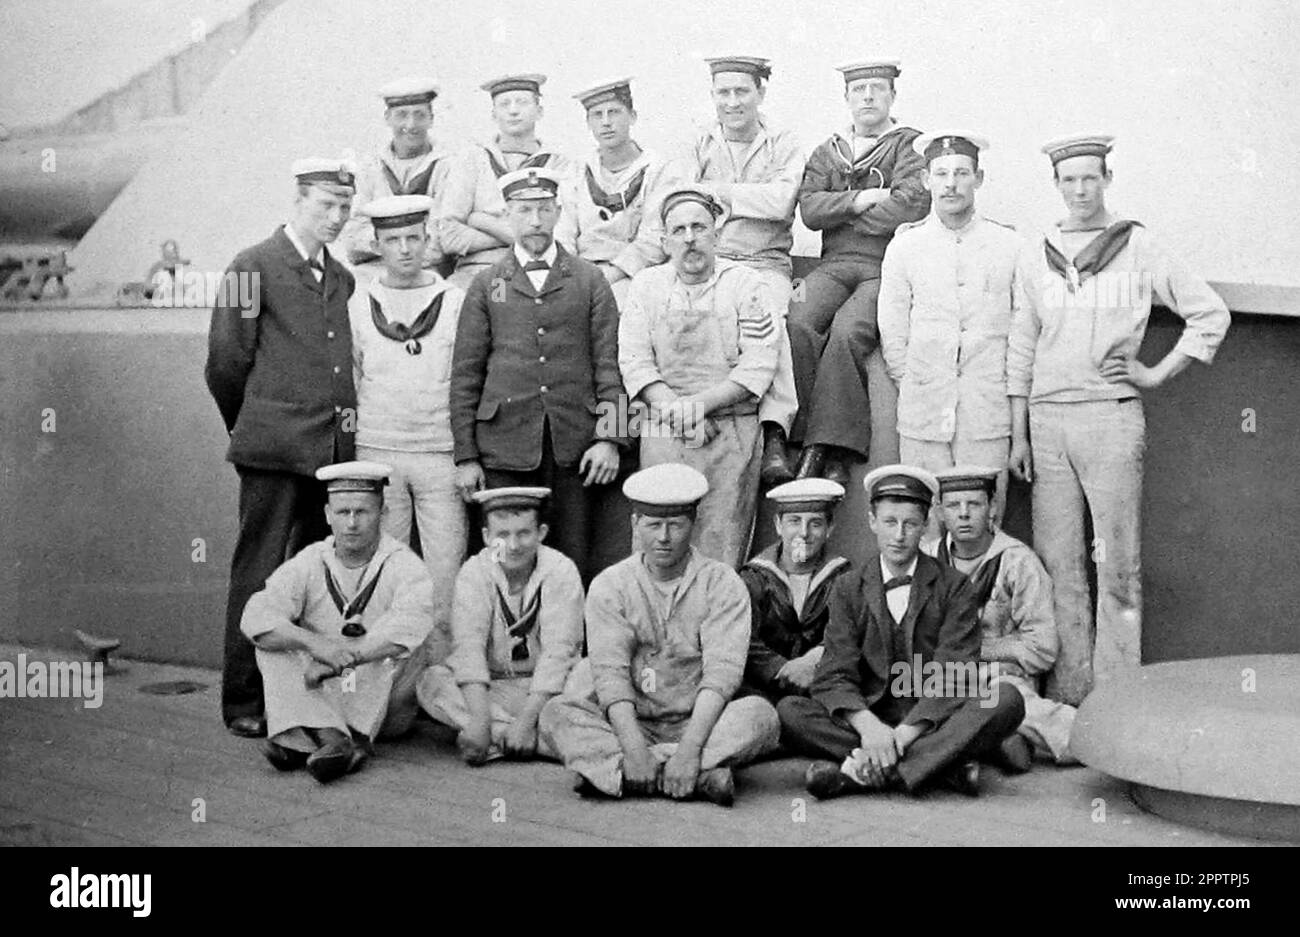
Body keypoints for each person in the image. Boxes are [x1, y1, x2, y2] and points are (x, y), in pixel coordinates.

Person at [1007, 134, 1230, 705]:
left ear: (1107, 178)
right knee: (1059, 565)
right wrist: (1018, 432)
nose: (1080, 190)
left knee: (1118, 564)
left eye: (1090, 178)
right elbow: (1023, 340)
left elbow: (1209, 314)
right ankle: (1069, 697)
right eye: (1068, 180)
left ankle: (1118, 700)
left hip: (1110, 418)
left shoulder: (1139, 246)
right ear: (1056, 186)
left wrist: (1154, 373)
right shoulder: (1038, 250)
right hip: (1047, 419)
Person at [205, 158, 358, 738]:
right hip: (272, 452)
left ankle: (299, 698)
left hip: (331, 453)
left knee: (316, 578)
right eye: (325, 205)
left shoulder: (339, 277)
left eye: (344, 207)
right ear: (298, 202)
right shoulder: (253, 264)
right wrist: (254, 428)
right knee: (259, 572)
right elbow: (225, 361)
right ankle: (243, 700)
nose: (336, 217)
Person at [778, 465, 1025, 798]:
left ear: (925, 526)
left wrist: (901, 737)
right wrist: (870, 728)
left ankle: (861, 773)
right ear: (872, 522)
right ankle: (943, 766)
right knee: (791, 711)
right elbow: (835, 673)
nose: (898, 536)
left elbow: (955, 673)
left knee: (1006, 699)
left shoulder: (954, 587)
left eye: (910, 524)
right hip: (872, 714)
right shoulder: (848, 587)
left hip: (933, 716)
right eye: (890, 523)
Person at [541, 463, 780, 806]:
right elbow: (610, 674)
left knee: (761, 716)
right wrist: (635, 748)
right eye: (653, 525)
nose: (664, 537)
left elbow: (722, 675)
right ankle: (695, 776)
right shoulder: (611, 584)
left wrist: (690, 749)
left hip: (698, 721)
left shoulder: (723, 584)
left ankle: (617, 774)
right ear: (635, 524)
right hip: (630, 722)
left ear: (693, 524)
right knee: (556, 714)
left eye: (675, 525)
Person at [450, 166, 625, 583]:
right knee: (503, 563)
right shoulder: (489, 284)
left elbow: (612, 366)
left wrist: (611, 439)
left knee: (572, 560)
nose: (534, 221)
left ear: (558, 211)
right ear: (508, 214)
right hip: (504, 448)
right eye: (524, 210)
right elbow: (466, 374)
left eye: (544, 209)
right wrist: (466, 456)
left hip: (574, 448)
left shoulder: (589, 279)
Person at [652, 54, 802, 486]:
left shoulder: (783, 143)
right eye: (724, 92)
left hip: (762, 262)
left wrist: (714, 193)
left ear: (760, 93)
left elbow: (781, 204)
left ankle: (774, 431)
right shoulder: (698, 142)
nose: (733, 102)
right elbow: (678, 198)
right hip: (703, 261)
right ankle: (649, 425)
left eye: (742, 91)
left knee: (771, 315)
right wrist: (744, 200)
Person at [241, 461, 435, 783]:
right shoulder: (311, 559)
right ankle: (334, 742)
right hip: (328, 687)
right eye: (343, 513)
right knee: (272, 643)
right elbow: (255, 615)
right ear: (328, 515)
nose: (353, 523)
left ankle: (303, 738)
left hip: (379, 698)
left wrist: (338, 662)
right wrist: (315, 643)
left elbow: (405, 630)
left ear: (383, 514)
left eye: (363, 512)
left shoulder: (405, 564)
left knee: (397, 651)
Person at [619, 186, 780, 565]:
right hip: (664, 431)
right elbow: (635, 361)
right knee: (659, 552)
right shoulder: (646, 286)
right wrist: (677, 411)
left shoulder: (747, 285)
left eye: (699, 228)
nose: (690, 239)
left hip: (730, 433)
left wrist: (697, 407)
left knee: (720, 554)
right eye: (679, 231)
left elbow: (758, 364)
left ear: (717, 234)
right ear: (665, 240)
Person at [788, 60, 930, 485]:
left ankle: (830, 450)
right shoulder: (826, 151)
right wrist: (861, 199)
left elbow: (911, 204)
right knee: (796, 319)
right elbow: (810, 211)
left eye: (877, 89)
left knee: (849, 332)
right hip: (832, 265)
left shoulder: (909, 146)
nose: (867, 96)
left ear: (892, 96)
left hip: (883, 268)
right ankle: (806, 439)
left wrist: (845, 213)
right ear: (847, 98)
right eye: (859, 89)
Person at [878, 130, 1022, 525]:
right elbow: (893, 329)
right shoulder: (906, 247)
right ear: (926, 180)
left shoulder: (1008, 245)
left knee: (983, 527)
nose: (951, 183)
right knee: (926, 530)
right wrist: (916, 381)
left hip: (986, 415)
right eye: (941, 174)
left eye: (961, 172)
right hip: (924, 414)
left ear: (979, 178)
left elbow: (1021, 330)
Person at [348, 194, 466, 641]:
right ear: (377, 244)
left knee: (444, 575)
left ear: (427, 239)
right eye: (392, 239)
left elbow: (464, 376)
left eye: (412, 238)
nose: (403, 249)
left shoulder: (453, 301)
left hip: (439, 452)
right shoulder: (359, 303)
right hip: (378, 453)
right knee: (384, 571)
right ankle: (389, 669)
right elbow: (355, 374)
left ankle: (441, 673)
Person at [417, 487, 585, 764]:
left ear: (541, 533)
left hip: (549, 691)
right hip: (493, 688)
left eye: (523, 533)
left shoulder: (560, 569)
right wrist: (481, 719)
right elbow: (468, 650)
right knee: (432, 681)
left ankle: (507, 737)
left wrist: (526, 720)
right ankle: (536, 741)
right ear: (486, 537)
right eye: (502, 535)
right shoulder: (475, 572)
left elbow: (559, 652)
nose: (514, 545)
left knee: (589, 675)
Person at [924, 466, 1077, 767]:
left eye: (975, 504)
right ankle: (994, 742)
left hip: (999, 679)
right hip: (937, 678)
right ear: (940, 512)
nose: (964, 514)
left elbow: (1042, 648)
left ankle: (1106, 739)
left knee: (1026, 711)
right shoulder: (927, 559)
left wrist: (978, 650)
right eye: (954, 505)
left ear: (992, 508)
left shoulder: (1017, 561)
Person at [439, 73, 573, 289]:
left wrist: (482, 221)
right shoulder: (472, 160)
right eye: (504, 104)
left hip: (539, 271)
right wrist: (525, 236)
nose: (513, 110)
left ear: (539, 111)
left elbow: (561, 236)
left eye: (522, 102)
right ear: (493, 114)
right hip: (479, 269)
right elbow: (449, 235)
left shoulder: (560, 165)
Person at [555, 77, 675, 305]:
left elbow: (653, 240)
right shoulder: (577, 170)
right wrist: (570, 276)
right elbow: (564, 231)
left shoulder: (657, 170)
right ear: (588, 123)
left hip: (632, 274)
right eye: (597, 115)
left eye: (614, 112)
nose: (606, 122)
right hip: (580, 272)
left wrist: (608, 276)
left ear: (632, 117)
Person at [738, 478, 852, 703]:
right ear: (778, 525)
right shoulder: (754, 577)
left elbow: (848, 633)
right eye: (794, 521)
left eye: (815, 523)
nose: (804, 533)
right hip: (761, 691)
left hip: (821, 689)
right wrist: (781, 670)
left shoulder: (843, 577)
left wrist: (812, 662)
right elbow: (743, 640)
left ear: (830, 528)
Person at [339, 77, 456, 274]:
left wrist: (385, 243)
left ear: (431, 119)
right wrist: (403, 246)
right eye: (402, 115)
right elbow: (352, 238)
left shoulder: (448, 165)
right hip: (375, 271)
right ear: (387, 118)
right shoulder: (370, 167)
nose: (411, 125)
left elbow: (440, 241)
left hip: (430, 271)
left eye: (419, 115)